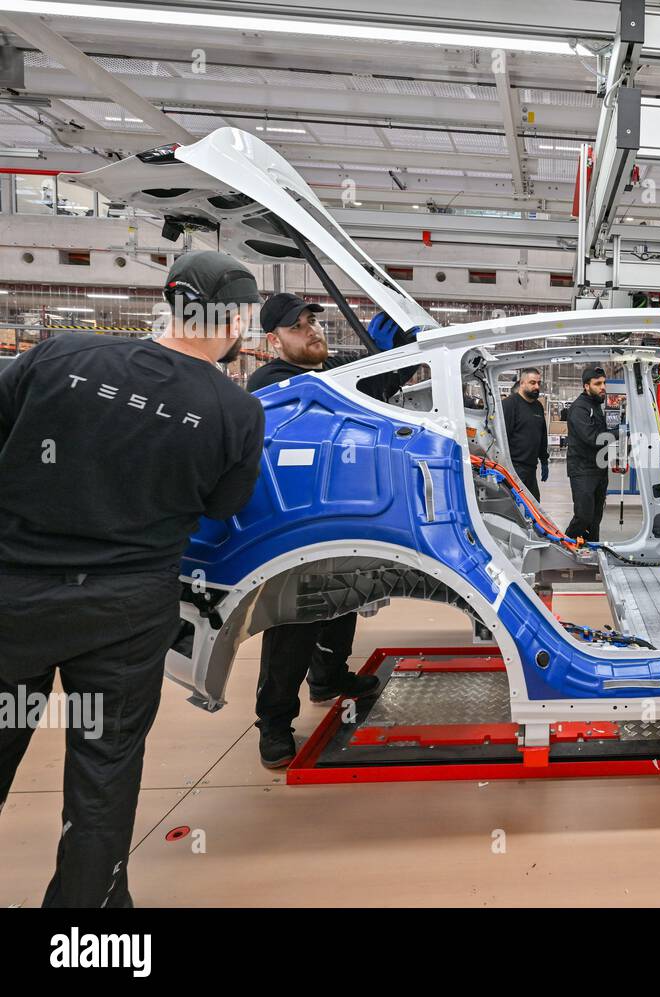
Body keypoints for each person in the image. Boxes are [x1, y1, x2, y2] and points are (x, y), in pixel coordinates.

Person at [0, 251, 265, 907]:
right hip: (125, 612)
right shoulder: (233, 410)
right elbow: (222, 507)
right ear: (231, 318)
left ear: (173, 300)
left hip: (14, 596)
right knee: (103, 773)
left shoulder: (55, 356)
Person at [247, 294, 418, 768]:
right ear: (272, 340)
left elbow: (370, 384)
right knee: (294, 624)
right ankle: (274, 723)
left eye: (312, 322)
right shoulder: (272, 382)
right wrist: (379, 357)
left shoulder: (325, 372)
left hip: (339, 519)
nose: (312, 331)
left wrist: (401, 359)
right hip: (293, 528)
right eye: (298, 327)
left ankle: (329, 678)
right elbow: (345, 391)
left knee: (344, 600)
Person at [565, 365, 611, 542]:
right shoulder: (580, 408)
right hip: (583, 470)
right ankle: (564, 546)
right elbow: (593, 438)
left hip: (599, 469)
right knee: (583, 516)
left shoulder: (595, 406)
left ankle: (592, 550)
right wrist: (621, 432)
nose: (602, 387)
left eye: (604, 383)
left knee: (595, 519)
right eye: (597, 383)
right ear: (586, 386)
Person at [501, 367, 549, 499]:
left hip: (531, 468)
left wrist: (544, 460)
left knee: (534, 508)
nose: (537, 386)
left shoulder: (538, 406)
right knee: (516, 508)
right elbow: (503, 436)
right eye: (532, 383)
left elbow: (542, 435)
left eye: (538, 383)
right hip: (514, 468)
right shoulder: (510, 404)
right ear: (522, 383)